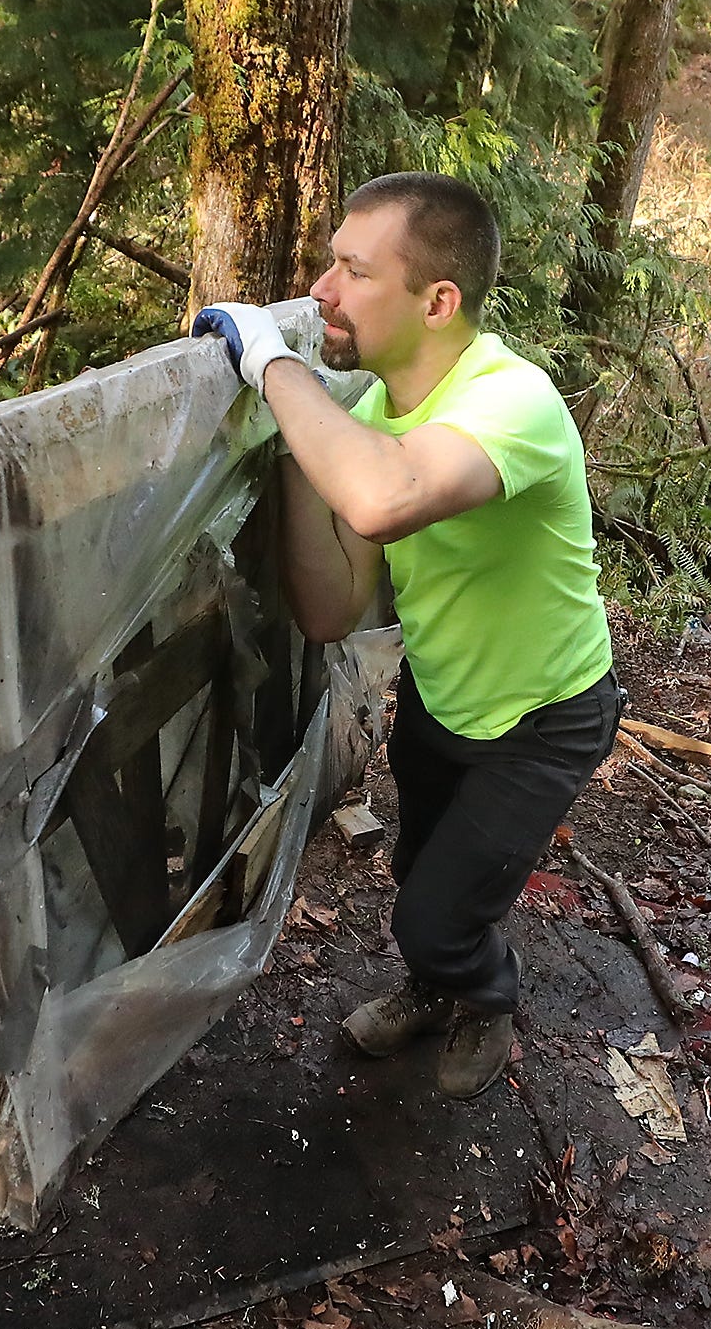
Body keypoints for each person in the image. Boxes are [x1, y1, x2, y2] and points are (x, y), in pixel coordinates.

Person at [195, 173, 618, 1100]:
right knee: (418, 872)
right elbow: (333, 611)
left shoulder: (515, 402)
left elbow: (386, 497)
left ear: (437, 301)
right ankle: (440, 982)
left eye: (353, 269)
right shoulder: (376, 419)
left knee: (435, 915)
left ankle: (485, 995)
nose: (321, 291)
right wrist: (306, 444)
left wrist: (274, 366)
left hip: (546, 714)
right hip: (442, 691)